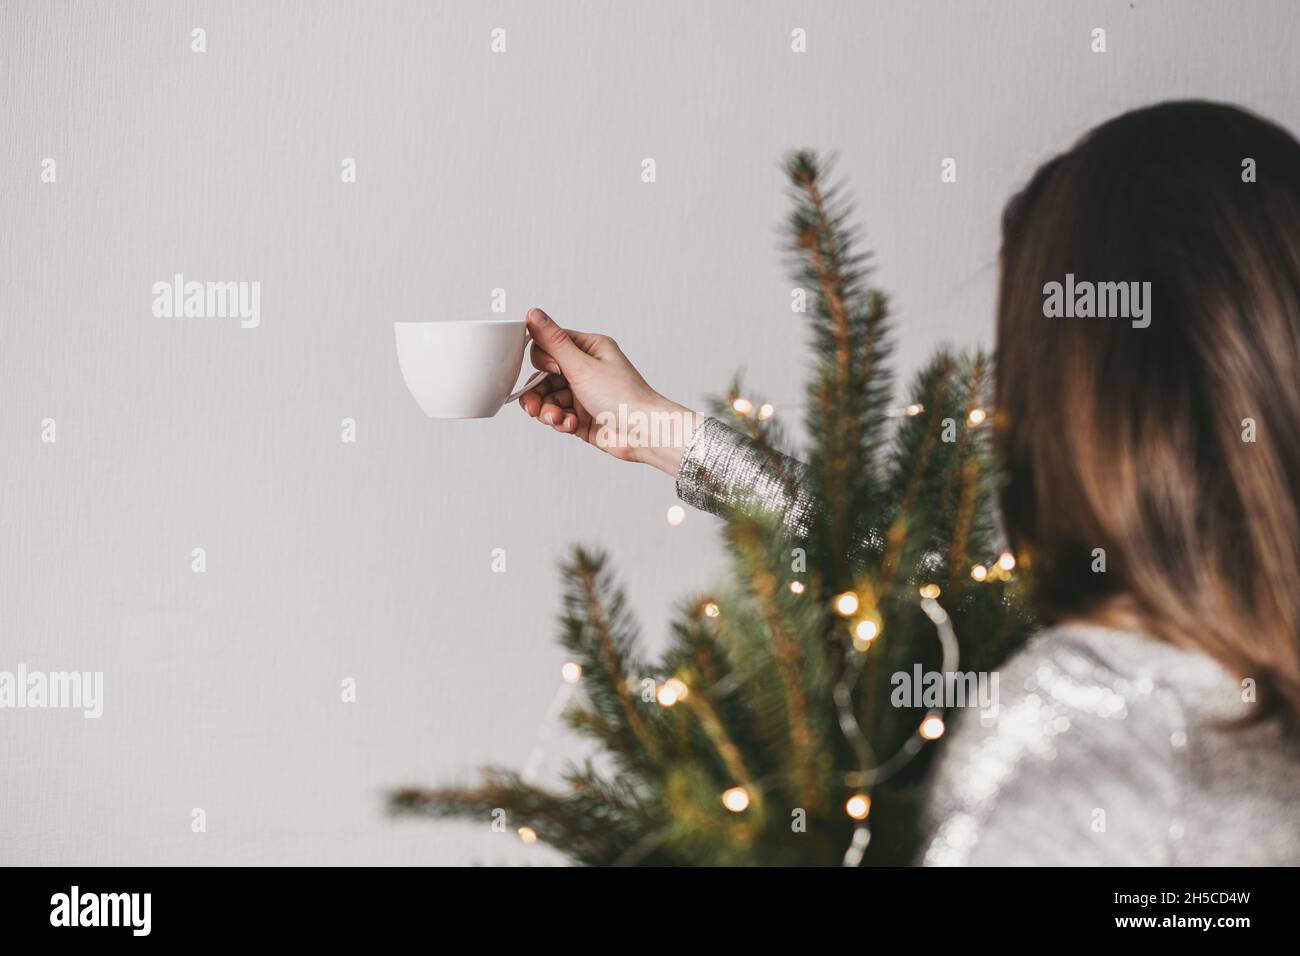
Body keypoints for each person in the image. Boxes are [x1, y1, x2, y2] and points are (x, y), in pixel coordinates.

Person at [516, 100, 1300, 865]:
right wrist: (663, 431)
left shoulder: (1082, 724)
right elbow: (928, 575)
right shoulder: (1220, 668)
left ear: (1084, 383)